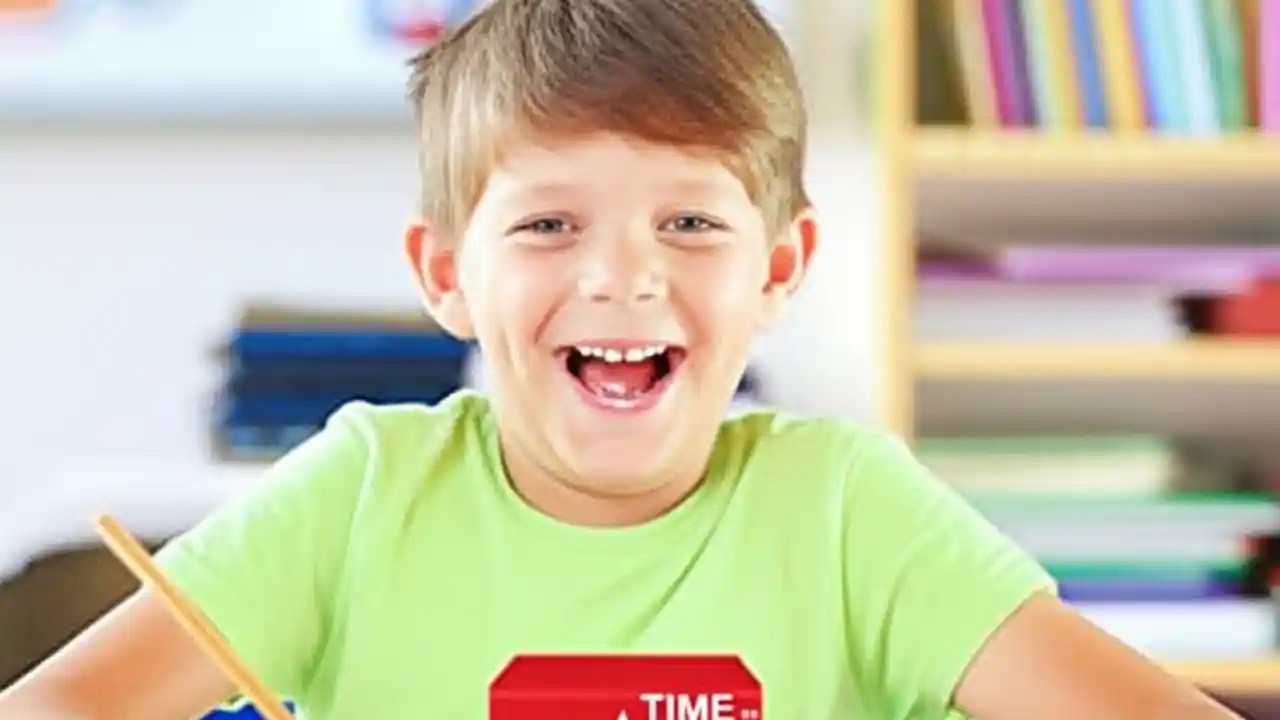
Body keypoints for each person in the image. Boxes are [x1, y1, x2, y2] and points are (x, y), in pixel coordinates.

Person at [0, 1, 1244, 718]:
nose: (620, 276)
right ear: (446, 275)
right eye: (548, 224)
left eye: (690, 222)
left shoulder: (851, 512)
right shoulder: (362, 491)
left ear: (777, 266)